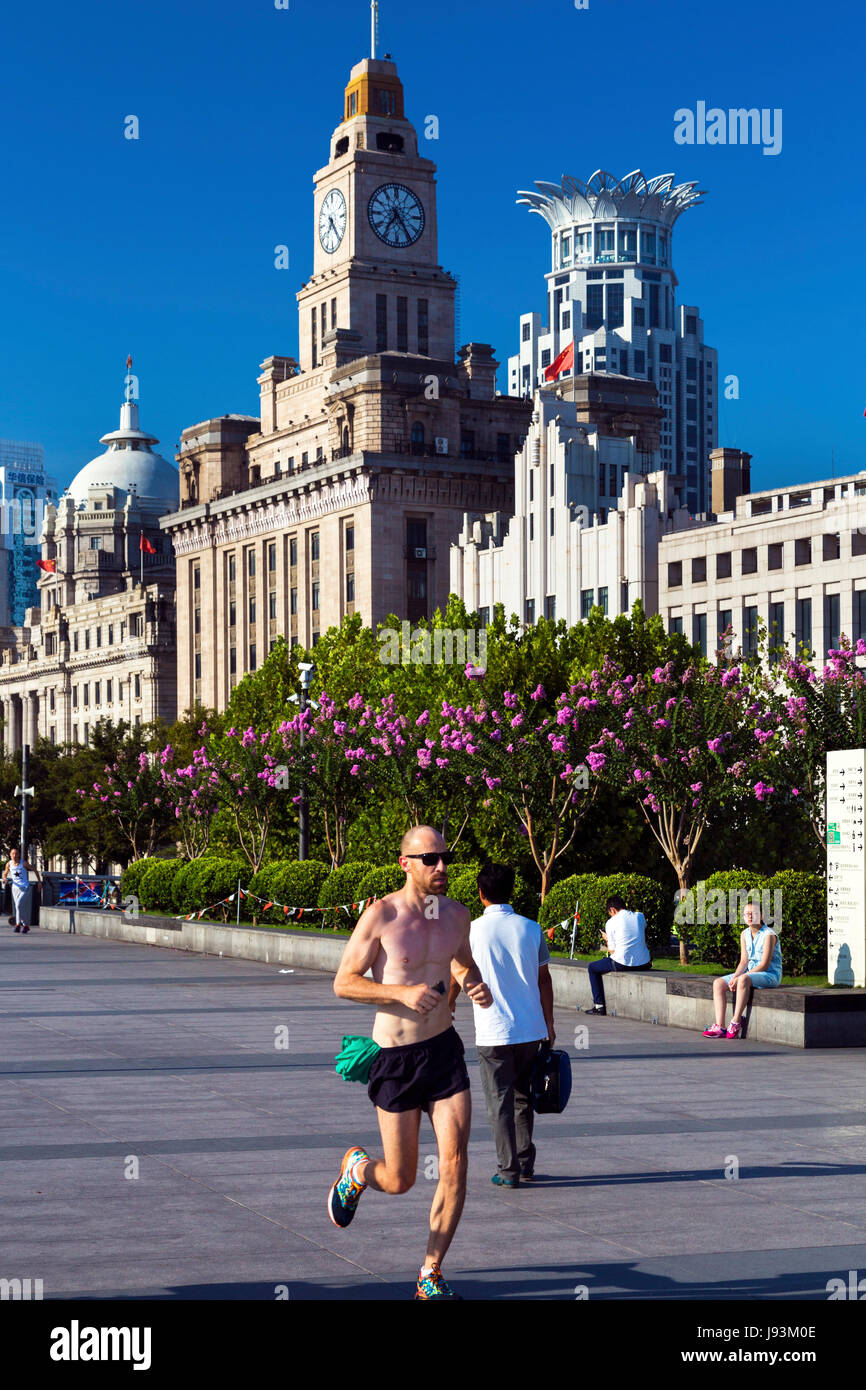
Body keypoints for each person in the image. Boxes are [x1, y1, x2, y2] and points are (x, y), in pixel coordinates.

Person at [329, 825, 493, 1301]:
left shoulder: (458, 916)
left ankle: (430, 1274)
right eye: (429, 859)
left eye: (445, 857)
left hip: (442, 1052)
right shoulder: (380, 916)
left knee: (456, 1164)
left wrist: (474, 985)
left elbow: (461, 964)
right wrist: (400, 992)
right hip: (396, 1059)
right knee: (399, 1180)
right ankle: (358, 1171)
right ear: (406, 863)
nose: (441, 867)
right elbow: (344, 982)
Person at [451, 861, 554, 1189]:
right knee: (524, 1098)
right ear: (512, 891)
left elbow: (461, 970)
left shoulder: (470, 931)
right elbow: (544, 980)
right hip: (530, 1030)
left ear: (480, 894)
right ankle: (524, 1163)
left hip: (493, 1030)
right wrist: (549, 1024)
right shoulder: (532, 929)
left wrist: (449, 1002)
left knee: (500, 1101)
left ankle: (507, 1170)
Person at [703, 901, 781, 1039]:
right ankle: (720, 1027)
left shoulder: (769, 935)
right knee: (718, 983)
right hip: (750, 974)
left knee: (743, 979)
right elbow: (744, 961)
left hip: (769, 975)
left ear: (761, 916)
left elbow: (764, 965)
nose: (750, 916)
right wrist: (735, 977)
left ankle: (736, 1021)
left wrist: (740, 978)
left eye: (754, 913)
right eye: (747, 914)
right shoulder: (744, 934)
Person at [584, 895, 652, 1015]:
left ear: (612, 910)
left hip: (622, 963)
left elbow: (612, 952)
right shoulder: (639, 916)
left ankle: (599, 1006)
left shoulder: (611, 922)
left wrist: (607, 939)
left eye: (610, 913)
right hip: (644, 963)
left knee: (592, 968)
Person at [2, 848, 41, 934]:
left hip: (25, 888)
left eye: (16, 854)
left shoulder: (23, 863)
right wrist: (4, 879)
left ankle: (18, 925)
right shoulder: (9, 864)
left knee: (19, 905)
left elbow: (34, 870)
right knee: (18, 907)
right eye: (13, 854)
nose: (15, 856)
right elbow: (5, 873)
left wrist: (39, 882)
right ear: (10, 855)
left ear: (19, 855)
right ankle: (25, 925)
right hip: (15, 888)